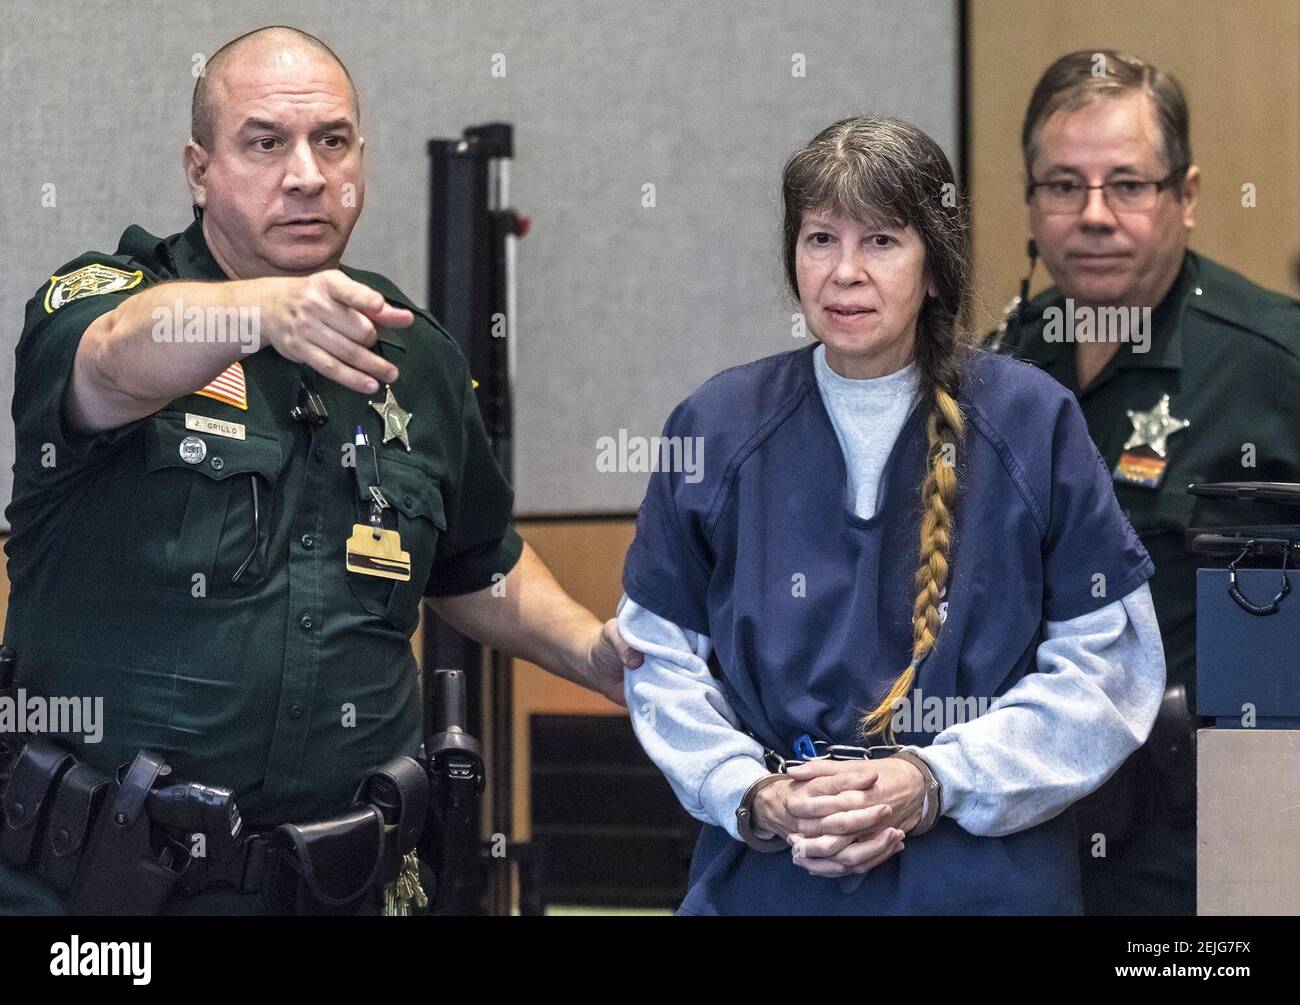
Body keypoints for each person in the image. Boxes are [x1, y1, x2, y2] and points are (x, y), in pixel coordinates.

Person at [0, 26, 639, 915]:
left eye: (330, 141)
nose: (305, 173)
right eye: (264, 143)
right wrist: (263, 308)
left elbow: (476, 562)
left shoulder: (412, 352)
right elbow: (109, 362)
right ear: (199, 170)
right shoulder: (110, 299)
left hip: (345, 881)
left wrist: (592, 651)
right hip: (108, 894)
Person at [618, 114, 1166, 915]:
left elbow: (1109, 670)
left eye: (880, 241)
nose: (844, 273)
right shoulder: (716, 424)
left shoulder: (1031, 422)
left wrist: (934, 779)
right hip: (772, 879)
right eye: (818, 240)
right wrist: (757, 795)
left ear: (935, 267)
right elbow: (655, 660)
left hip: (982, 885)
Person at [992, 50, 1300, 915]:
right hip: (1034, 817)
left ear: (1187, 196)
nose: (1093, 216)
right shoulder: (1001, 364)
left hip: (1223, 828)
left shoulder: (1272, 362)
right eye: (1063, 186)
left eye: (1127, 184)